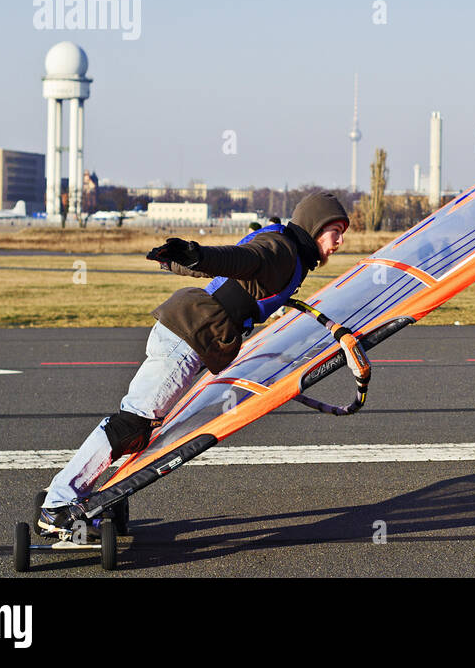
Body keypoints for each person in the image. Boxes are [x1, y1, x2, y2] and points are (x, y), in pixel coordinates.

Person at [37, 191, 349, 535]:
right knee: (133, 422)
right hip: (189, 332)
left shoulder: (287, 249)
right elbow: (239, 259)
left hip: (190, 329)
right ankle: (58, 505)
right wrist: (198, 256)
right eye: (335, 231)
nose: (341, 240)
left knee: (143, 428)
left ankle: (89, 495)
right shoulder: (281, 251)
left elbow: (230, 273)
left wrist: (181, 262)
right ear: (316, 226)